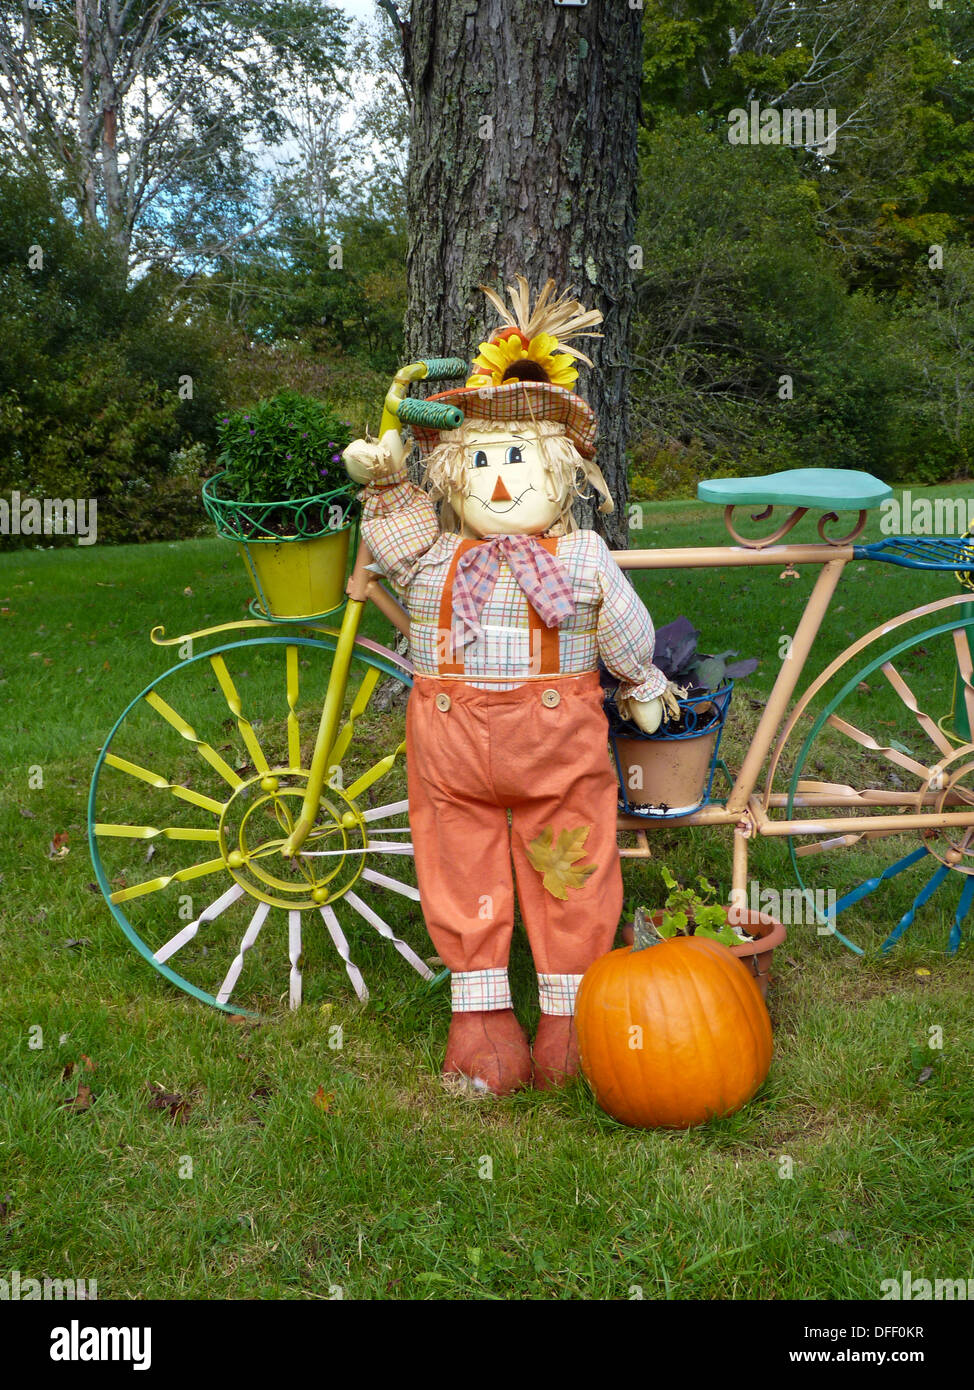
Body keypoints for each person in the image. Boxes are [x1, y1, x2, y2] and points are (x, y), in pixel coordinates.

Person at [343, 277, 679, 1095]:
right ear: (454, 473)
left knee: (574, 866)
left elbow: (620, 624)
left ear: (559, 470)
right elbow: (392, 534)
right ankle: (484, 1024)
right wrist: (386, 483)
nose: (498, 482)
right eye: (483, 463)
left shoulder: (580, 557)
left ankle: (571, 1022)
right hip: (451, 762)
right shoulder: (431, 551)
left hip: (555, 751)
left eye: (518, 460)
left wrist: (639, 678)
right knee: (460, 871)